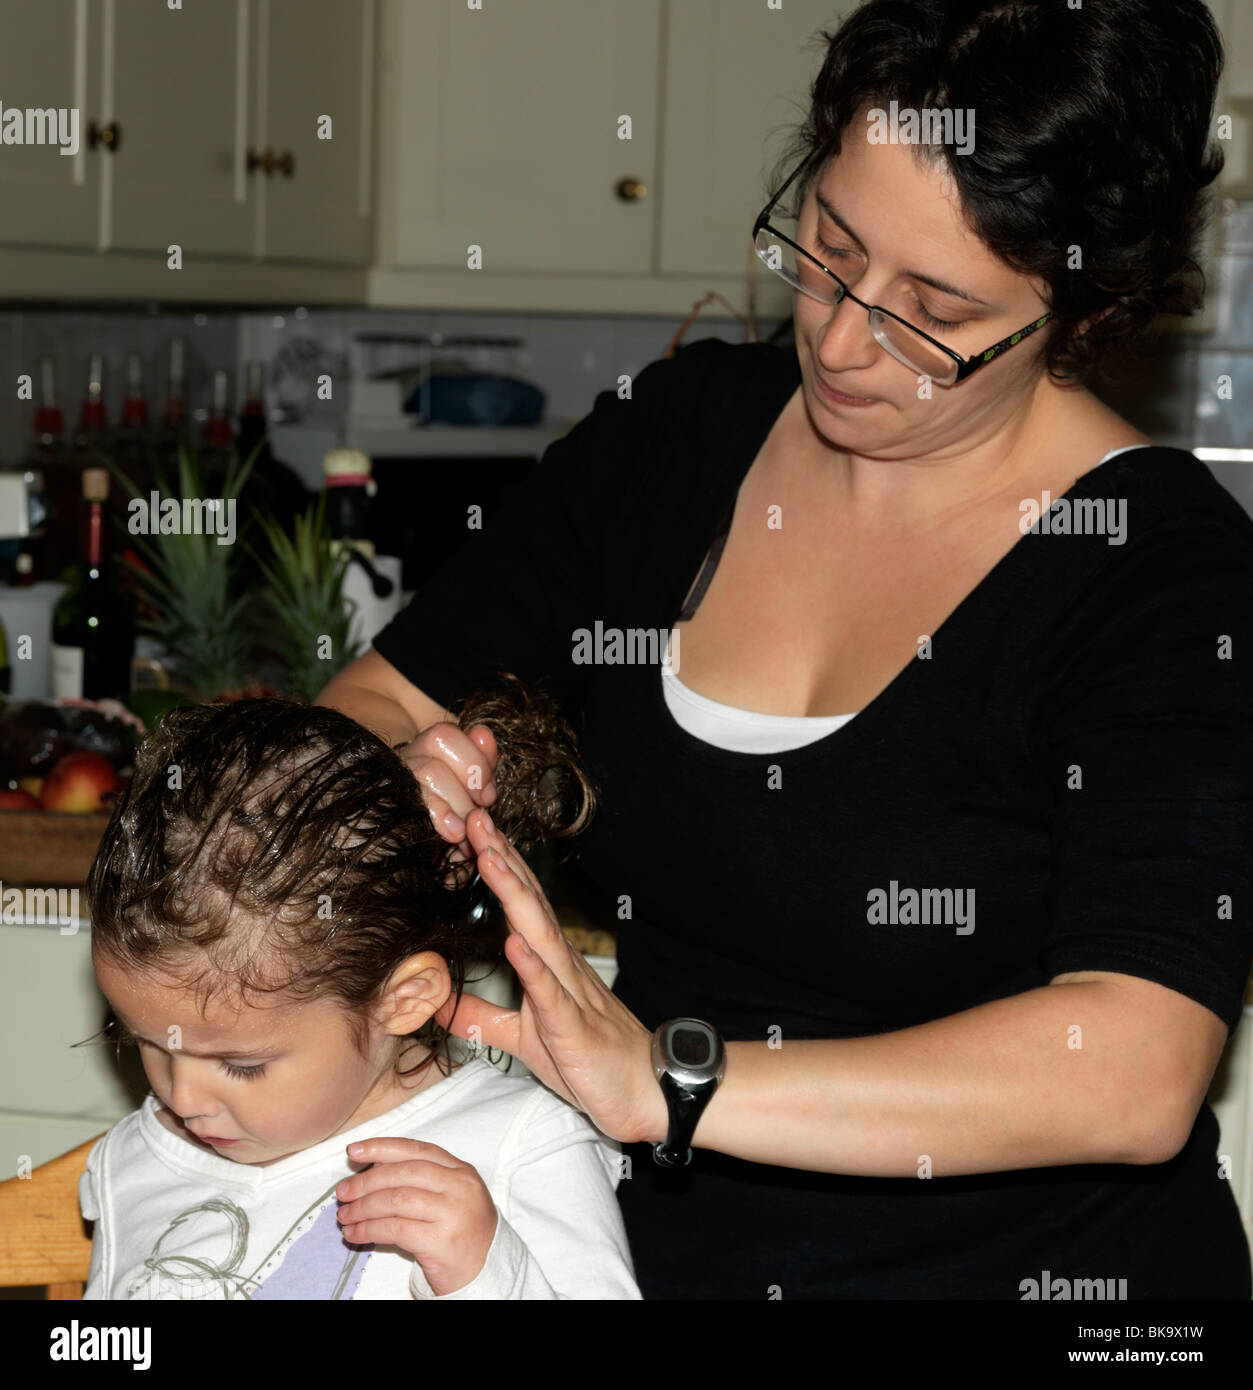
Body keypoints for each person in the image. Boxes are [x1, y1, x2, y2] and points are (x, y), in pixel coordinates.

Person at [317, 0, 1253, 1298]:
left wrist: (670, 1082)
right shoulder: (674, 440)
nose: (841, 335)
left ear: (1083, 310)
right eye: (830, 244)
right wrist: (392, 776)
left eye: (932, 310)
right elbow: (371, 700)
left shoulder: (1162, 573)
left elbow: (1132, 1067)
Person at [75, 684, 640, 1300]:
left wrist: (488, 1274)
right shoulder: (137, 1162)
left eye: (241, 1065)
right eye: (148, 1043)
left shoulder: (521, 1145)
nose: (182, 1098)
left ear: (405, 999)